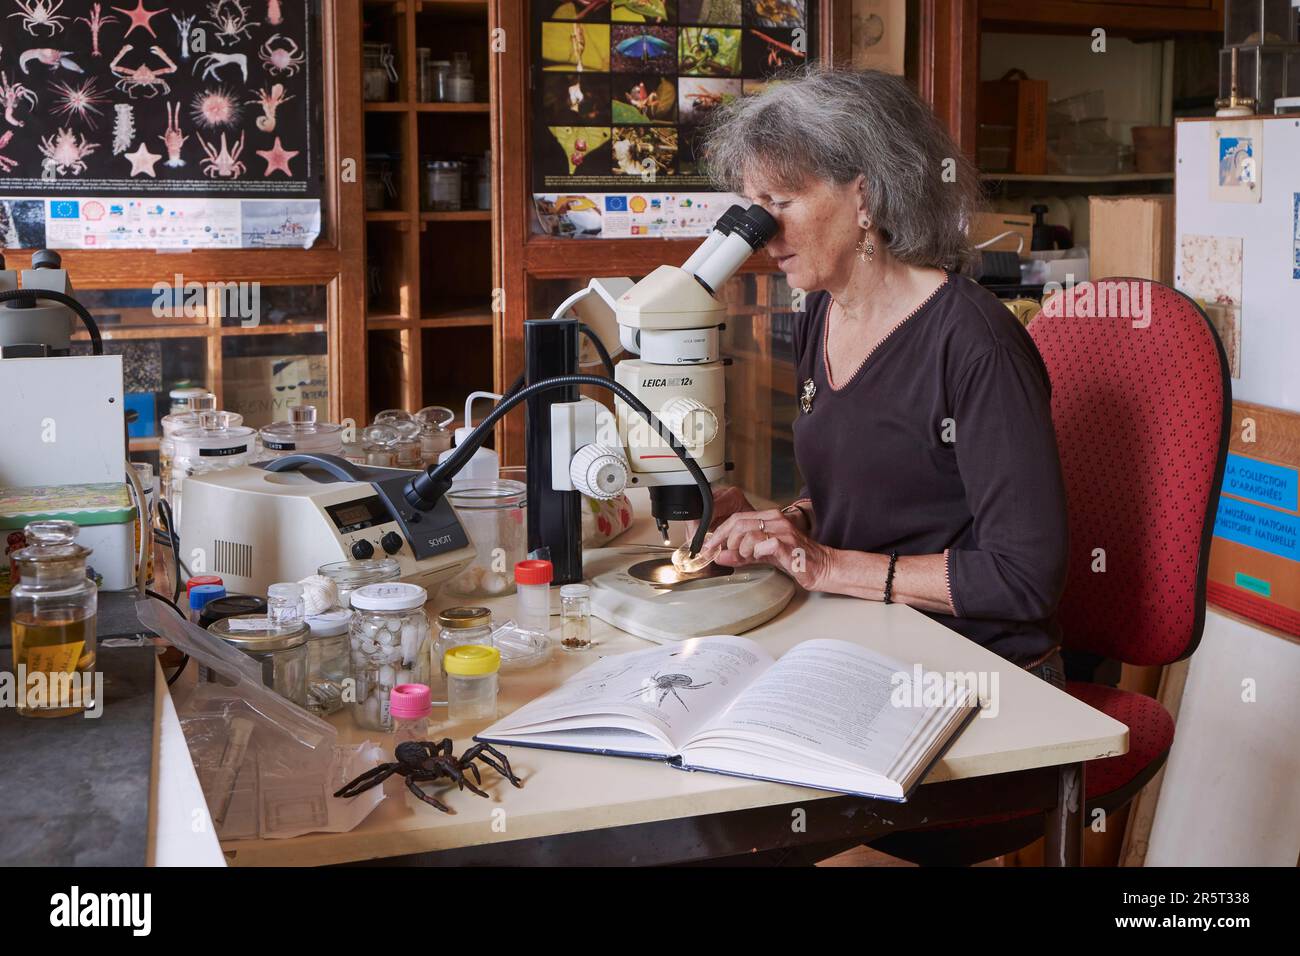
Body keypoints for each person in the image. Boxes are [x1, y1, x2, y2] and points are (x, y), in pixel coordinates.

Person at [696, 67, 1069, 690]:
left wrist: (827, 566)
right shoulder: (822, 311)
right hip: (868, 640)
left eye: (781, 204)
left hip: (986, 671)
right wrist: (786, 525)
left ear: (864, 198)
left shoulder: (975, 345)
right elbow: (882, 496)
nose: (764, 236)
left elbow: (1023, 576)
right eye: (755, 209)